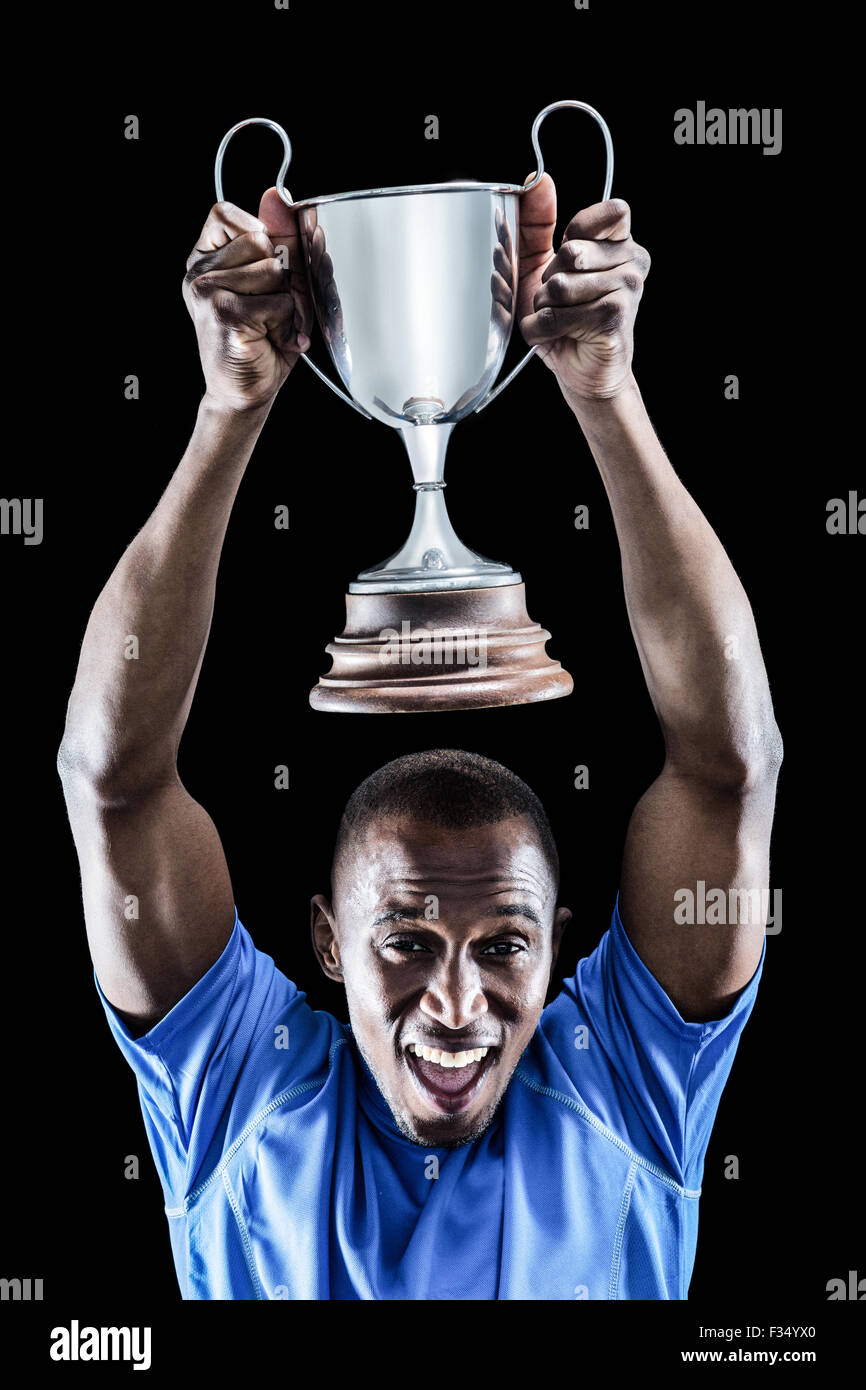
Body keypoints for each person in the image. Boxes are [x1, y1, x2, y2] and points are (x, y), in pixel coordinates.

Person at [57, 173, 782, 1299]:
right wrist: (229, 407)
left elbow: (731, 766)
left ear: (559, 947)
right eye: (401, 939)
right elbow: (108, 783)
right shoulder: (242, 1090)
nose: (454, 1003)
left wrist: (605, 393)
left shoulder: (625, 1083)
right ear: (327, 940)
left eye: (503, 945)